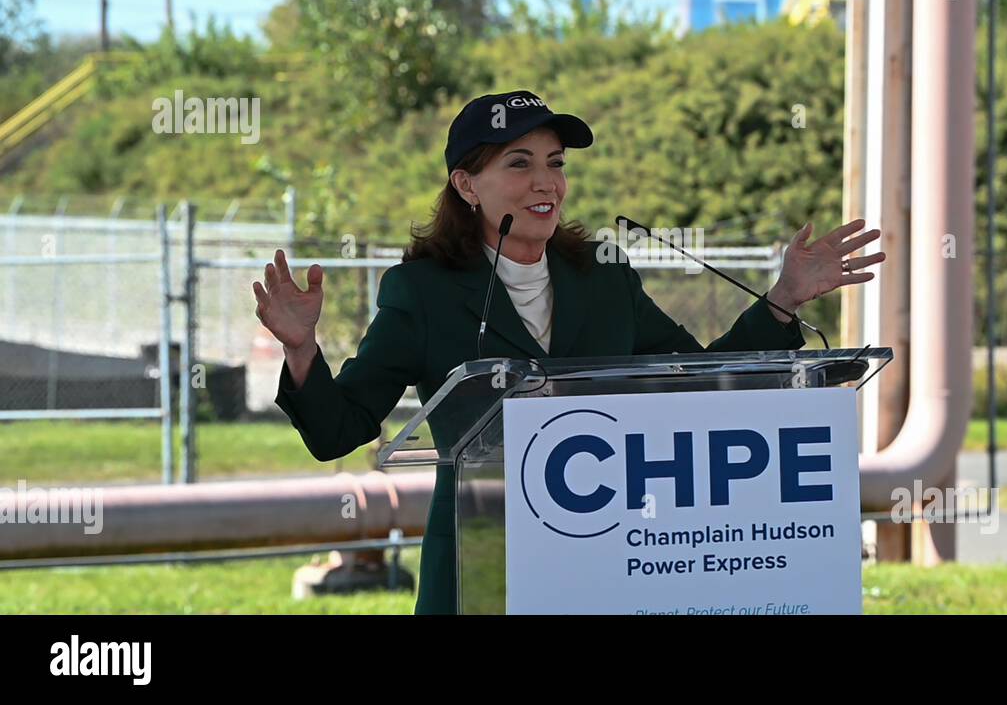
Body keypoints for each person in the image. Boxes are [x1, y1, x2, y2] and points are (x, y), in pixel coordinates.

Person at [253, 89, 885, 614]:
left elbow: (700, 383)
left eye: (556, 163)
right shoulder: (421, 292)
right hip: (481, 563)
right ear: (467, 184)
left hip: (606, 559)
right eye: (520, 163)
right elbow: (341, 430)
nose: (546, 182)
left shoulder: (606, 278)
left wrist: (783, 300)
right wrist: (302, 347)